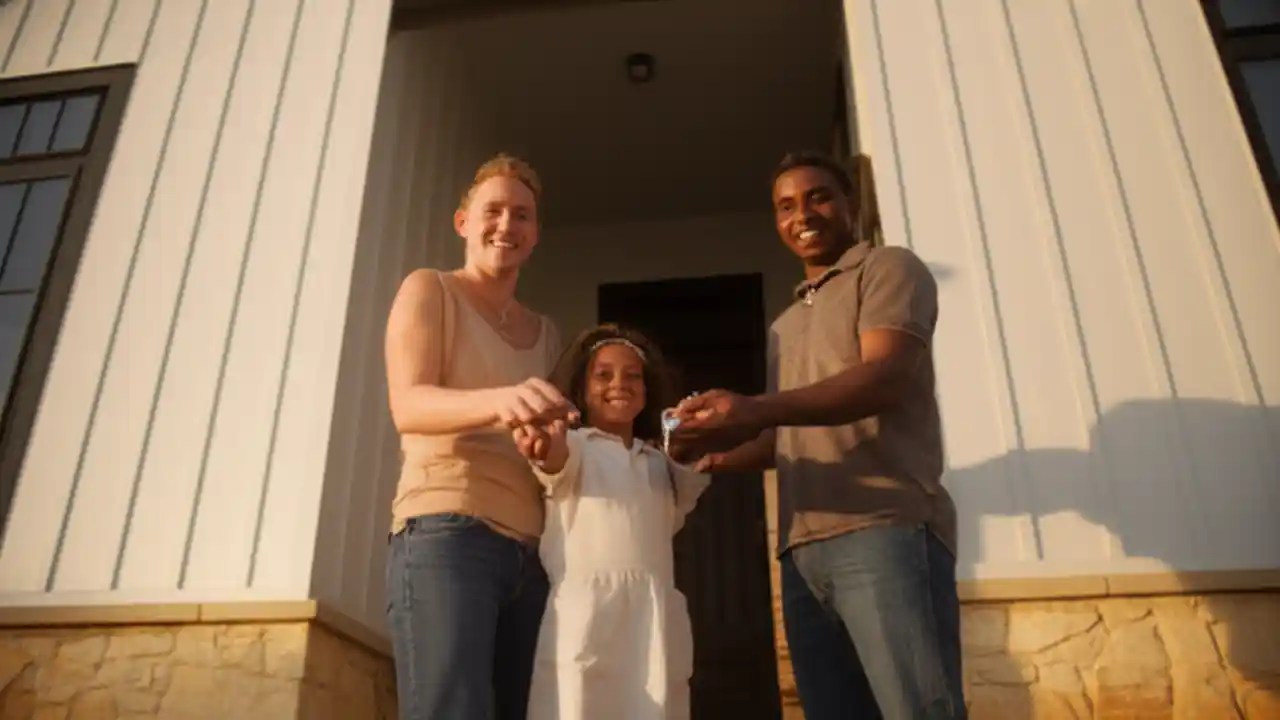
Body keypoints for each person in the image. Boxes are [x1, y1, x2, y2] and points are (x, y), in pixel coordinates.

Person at [670, 152, 965, 719]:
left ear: (851, 205)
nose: (802, 214)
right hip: (801, 553)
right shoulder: (785, 323)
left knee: (917, 709)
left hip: (884, 532)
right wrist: (708, 452)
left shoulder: (888, 269)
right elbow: (785, 435)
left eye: (819, 197)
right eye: (785, 206)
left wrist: (752, 408)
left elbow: (884, 378)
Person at [383, 154, 576, 719]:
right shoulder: (429, 290)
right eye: (493, 211)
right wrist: (500, 401)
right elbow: (409, 404)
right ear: (462, 222)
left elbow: (547, 455)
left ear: (535, 235)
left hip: (530, 554)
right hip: (446, 535)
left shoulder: (546, 334)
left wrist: (551, 448)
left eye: (522, 216)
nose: (506, 226)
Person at [512, 324, 709, 720]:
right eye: (603, 375)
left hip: (650, 620)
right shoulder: (576, 447)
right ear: (582, 390)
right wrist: (544, 445)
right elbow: (552, 463)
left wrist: (691, 434)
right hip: (587, 617)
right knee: (580, 704)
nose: (620, 384)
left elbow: (692, 480)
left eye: (633, 376)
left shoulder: (660, 463)